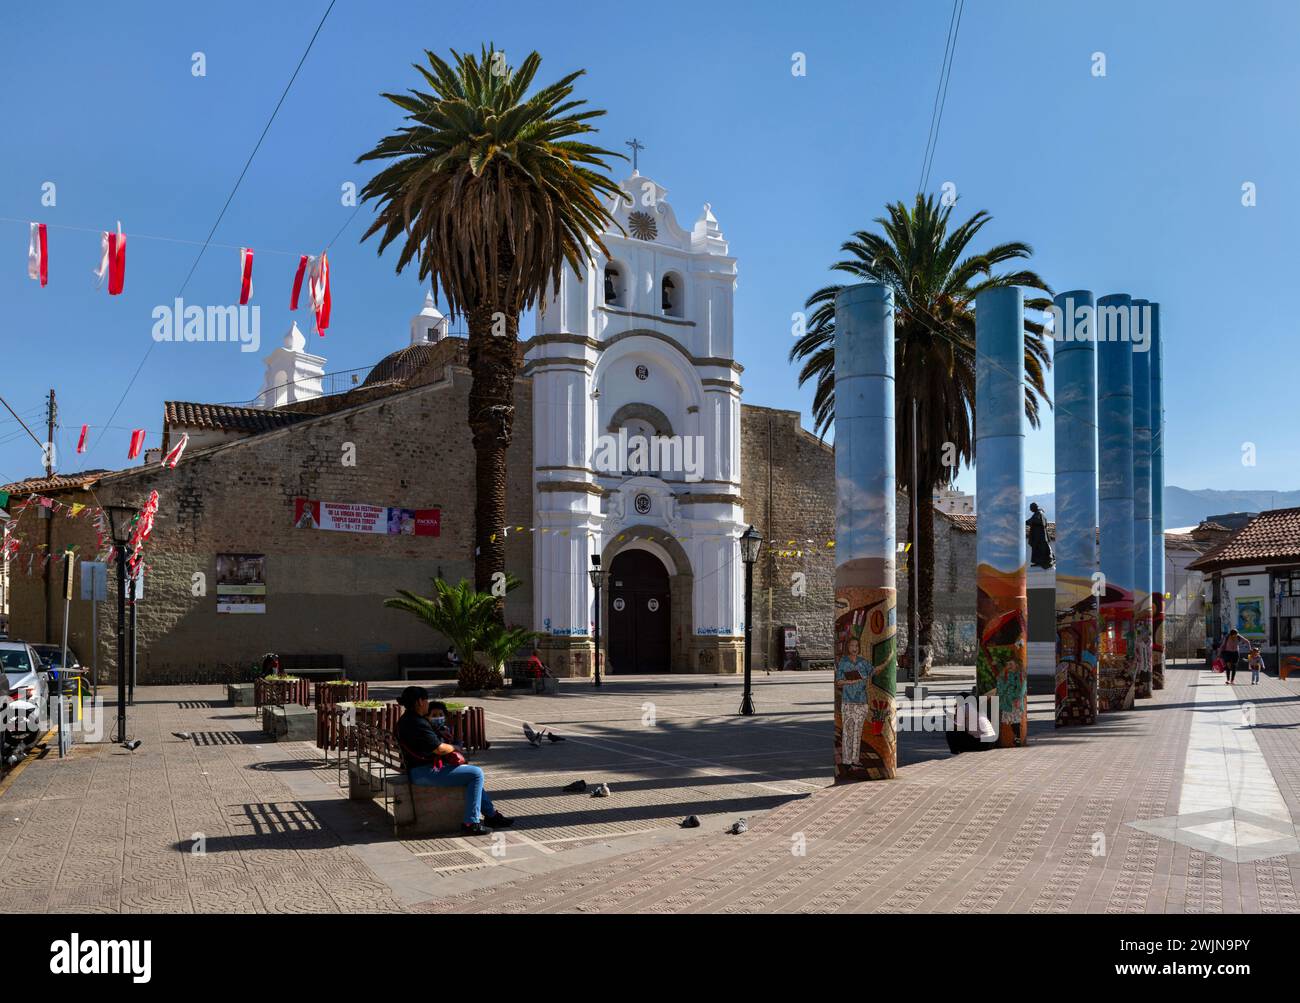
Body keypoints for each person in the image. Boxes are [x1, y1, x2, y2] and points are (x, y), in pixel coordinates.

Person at [396, 686, 512, 835]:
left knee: (471, 774)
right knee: (476, 773)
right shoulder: (416, 723)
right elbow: (439, 749)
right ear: (419, 701)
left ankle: (491, 816)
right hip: (425, 772)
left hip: (417, 769)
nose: (427, 703)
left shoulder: (407, 720)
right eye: (426, 700)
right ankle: (471, 822)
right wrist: (454, 747)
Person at [835, 636, 871, 767]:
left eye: (856, 646)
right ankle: (846, 760)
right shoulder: (843, 662)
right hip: (847, 701)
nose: (854, 648)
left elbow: (873, 671)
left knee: (857, 733)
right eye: (851, 646)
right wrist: (849, 681)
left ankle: (855, 760)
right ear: (847, 647)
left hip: (861, 702)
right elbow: (838, 681)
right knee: (847, 732)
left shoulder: (863, 662)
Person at [1026, 502, 1055, 569]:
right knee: (1036, 548)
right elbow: (1032, 520)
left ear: (1034, 507)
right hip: (1037, 535)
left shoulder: (1039, 513)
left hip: (1040, 536)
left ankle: (1043, 561)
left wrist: (1028, 522)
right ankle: (1038, 562)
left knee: (1040, 548)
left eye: (1031, 508)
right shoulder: (1037, 514)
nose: (1030, 510)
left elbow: (1035, 521)